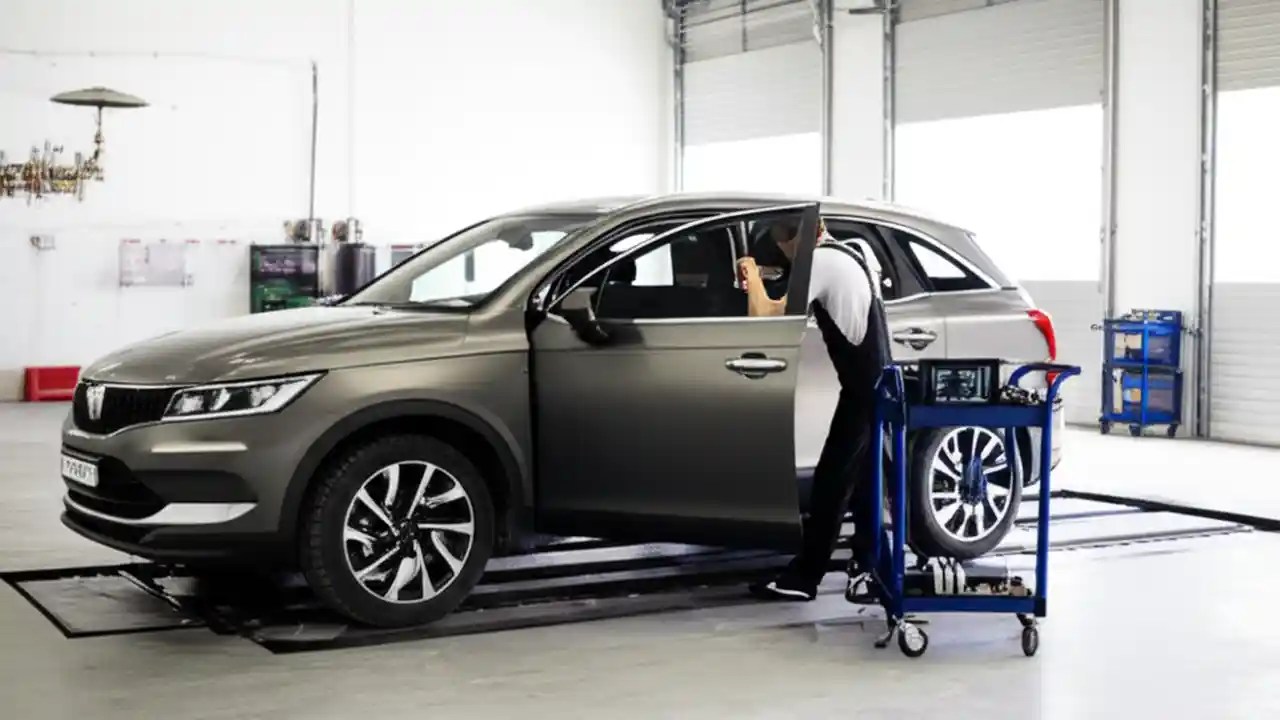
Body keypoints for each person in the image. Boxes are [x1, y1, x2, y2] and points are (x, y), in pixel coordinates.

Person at [737, 217, 892, 601]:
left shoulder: (818, 262)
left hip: (864, 392)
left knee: (832, 485)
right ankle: (875, 569)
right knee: (864, 488)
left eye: (781, 241)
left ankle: (804, 579)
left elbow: (766, 319)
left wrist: (751, 273)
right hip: (879, 386)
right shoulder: (852, 250)